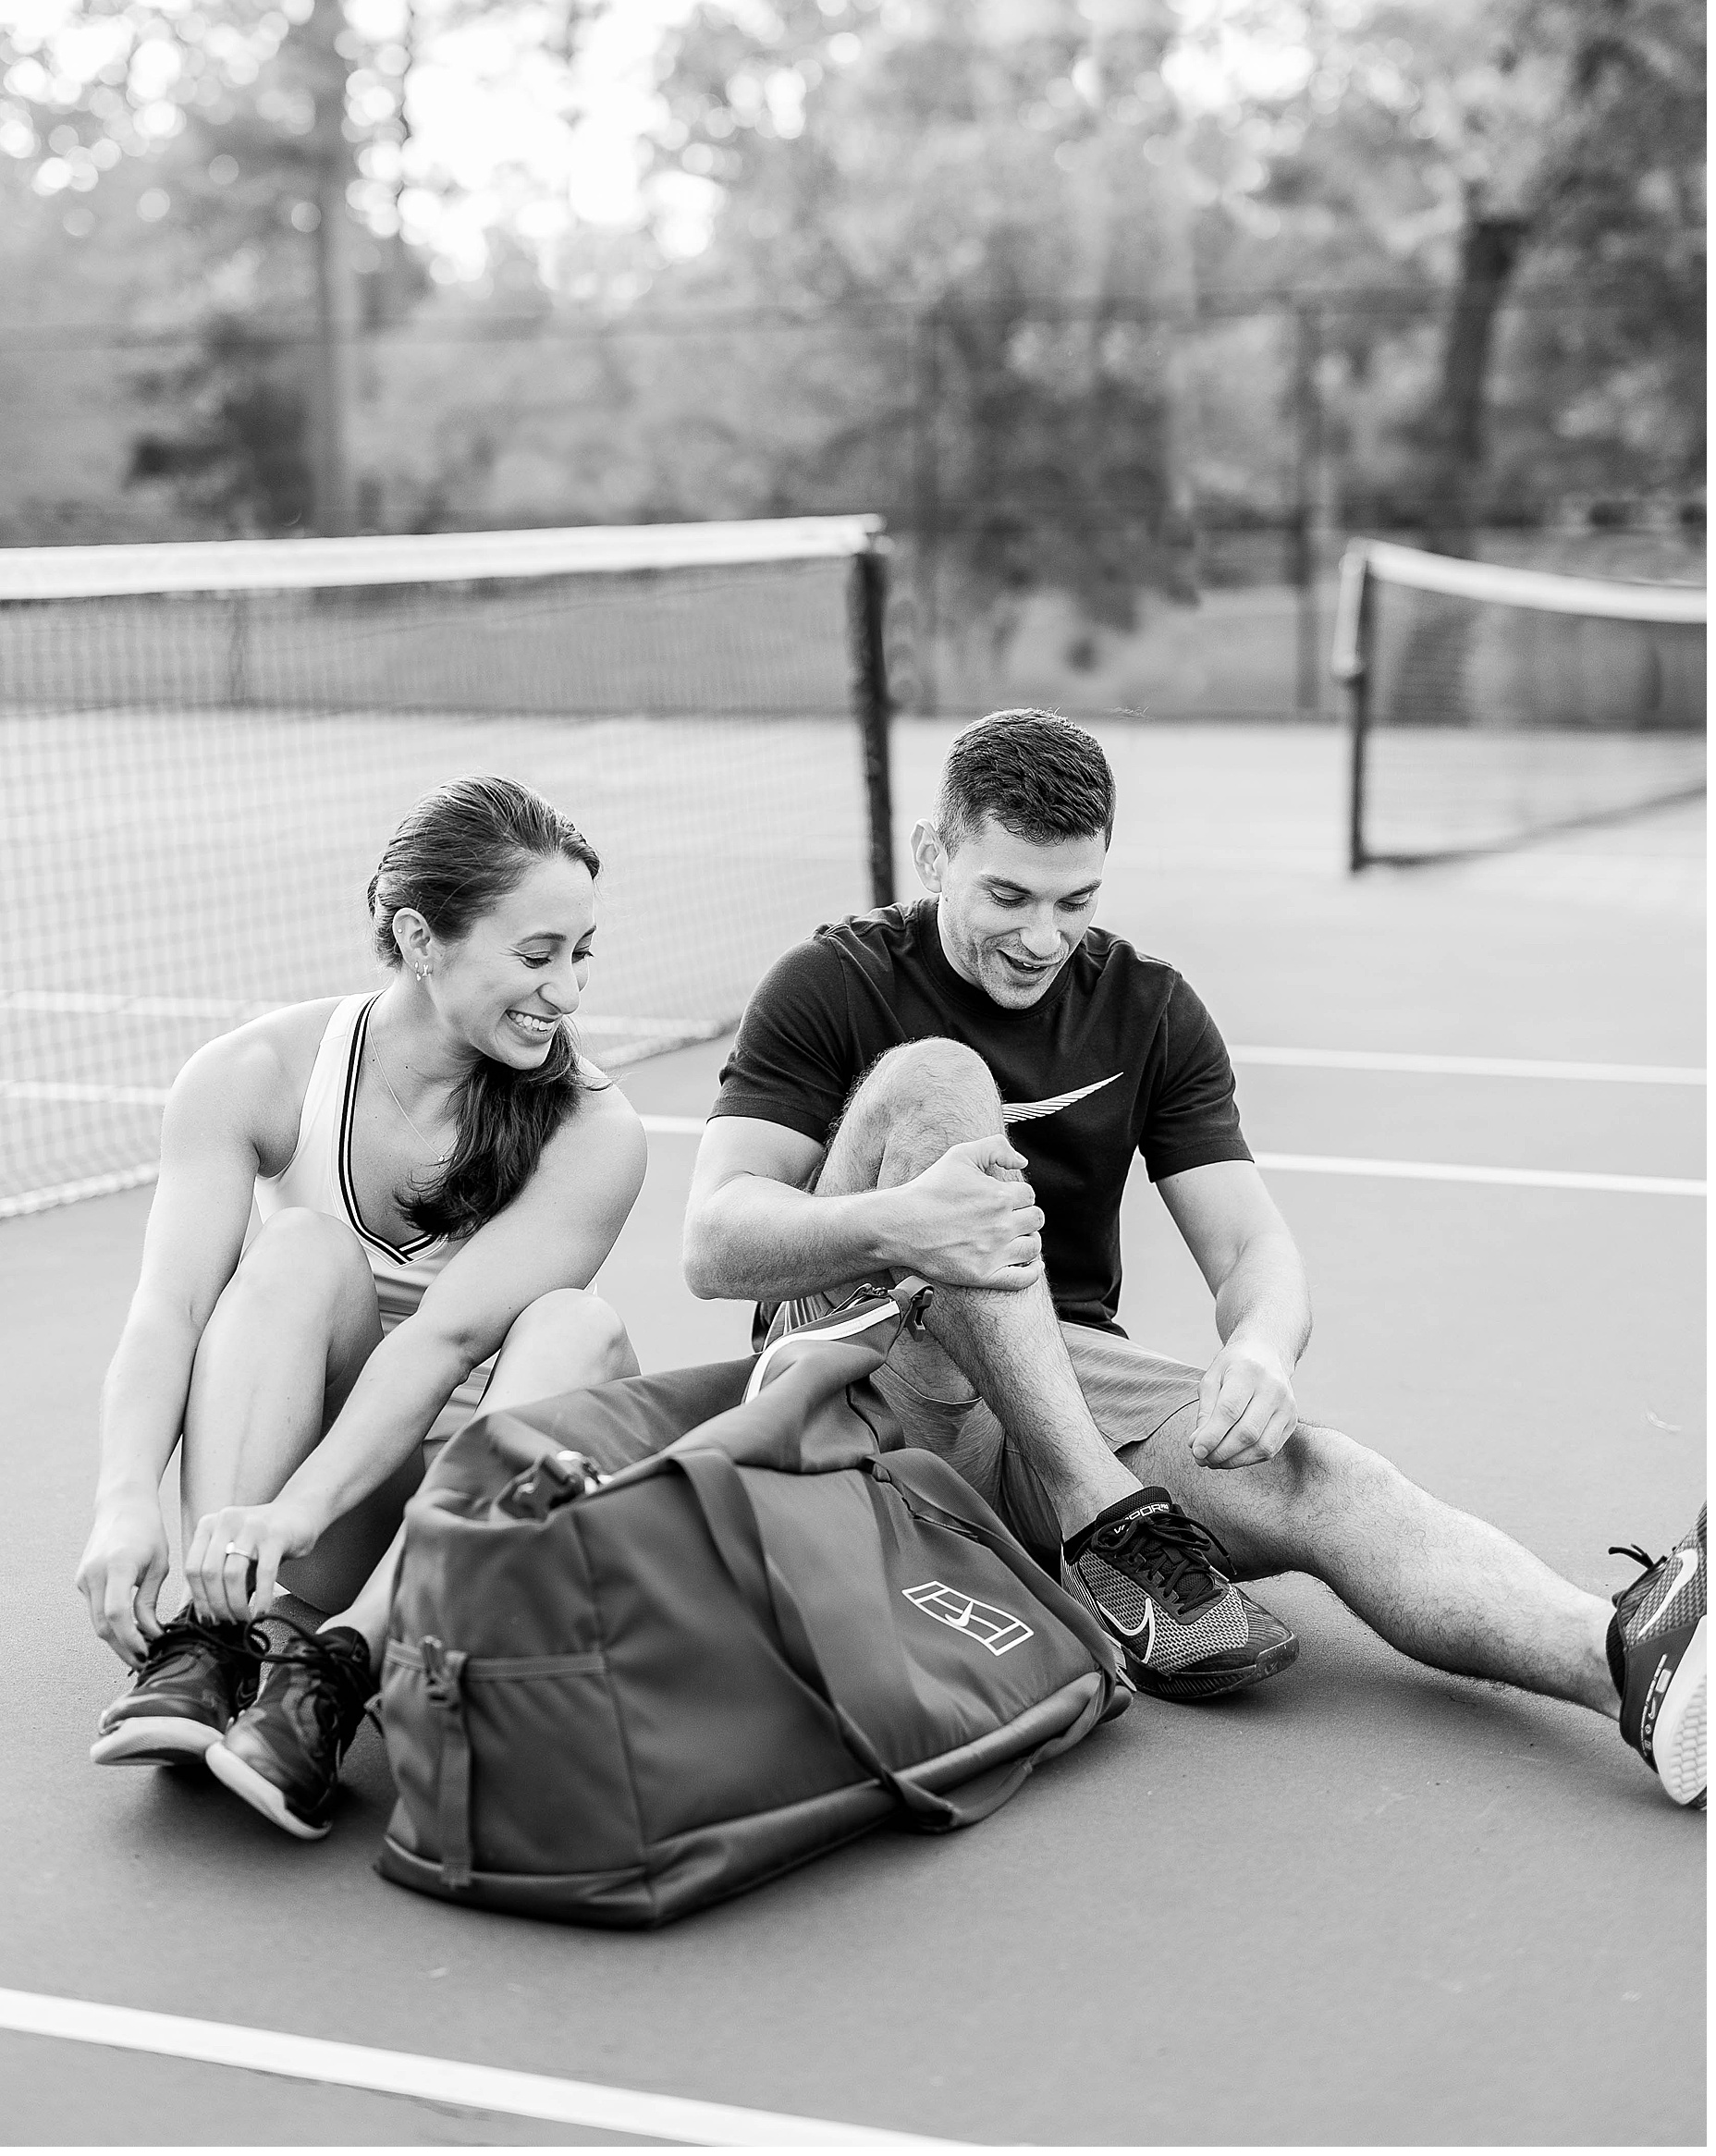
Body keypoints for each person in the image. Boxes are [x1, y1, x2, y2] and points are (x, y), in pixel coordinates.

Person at [684, 708, 1706, 1809]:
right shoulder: (830, 982)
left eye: (1075, 901)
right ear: (935, 857)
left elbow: (1251, 1246)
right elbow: (714, 1241)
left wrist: (1262, 1348)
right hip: (863, 1389)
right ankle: (1100, 1523)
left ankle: (1627, 1667)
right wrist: (895, 1225)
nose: (1040, 938)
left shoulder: (1146, 1007)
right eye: (1006, 897)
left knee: (1327, 1475)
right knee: (936, 1080)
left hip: (1043, 1402)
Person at [78, 776, 647, 1840]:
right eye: (536, 956)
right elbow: (169, 1308)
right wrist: (123, 1500)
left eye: (580, 953)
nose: (566, 993)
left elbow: (447, 1339)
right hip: (327, 1508)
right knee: (296, 1248)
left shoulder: (591, 1127)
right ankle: (216, 1640)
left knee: (574, 1326)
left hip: (490, 1530)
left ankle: (342, 1670)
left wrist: (296, 1514)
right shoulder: (254, 1072)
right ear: (420, 939)